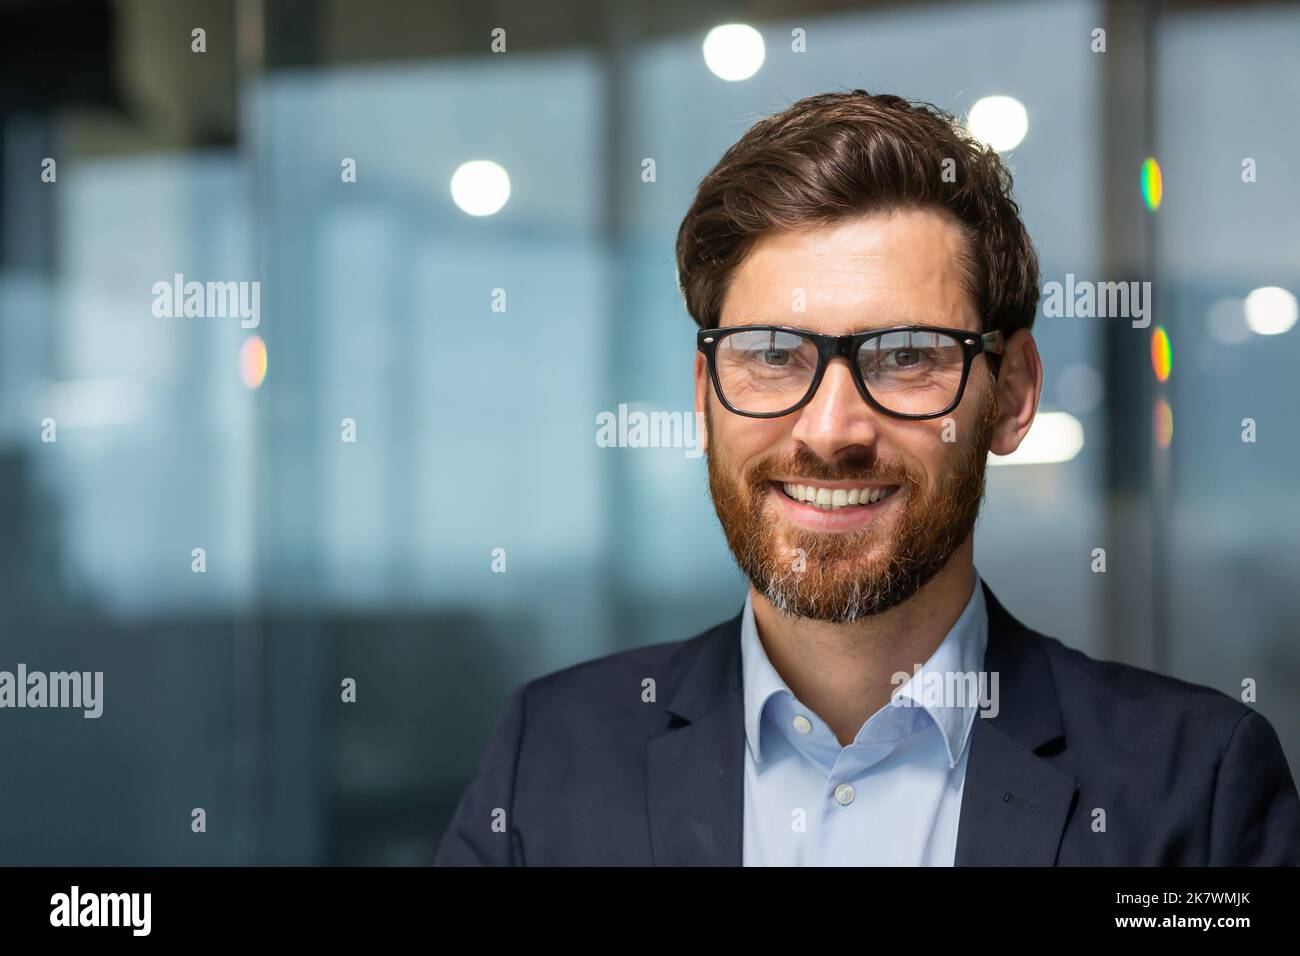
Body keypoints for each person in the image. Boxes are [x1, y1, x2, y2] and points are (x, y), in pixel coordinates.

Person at [435, 89, 1300, 866]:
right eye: (773, 356)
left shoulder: (1196, 791)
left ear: (1014, 395)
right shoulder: (548, 753)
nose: (831, 431)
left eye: (907, 357)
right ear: (705, 398)